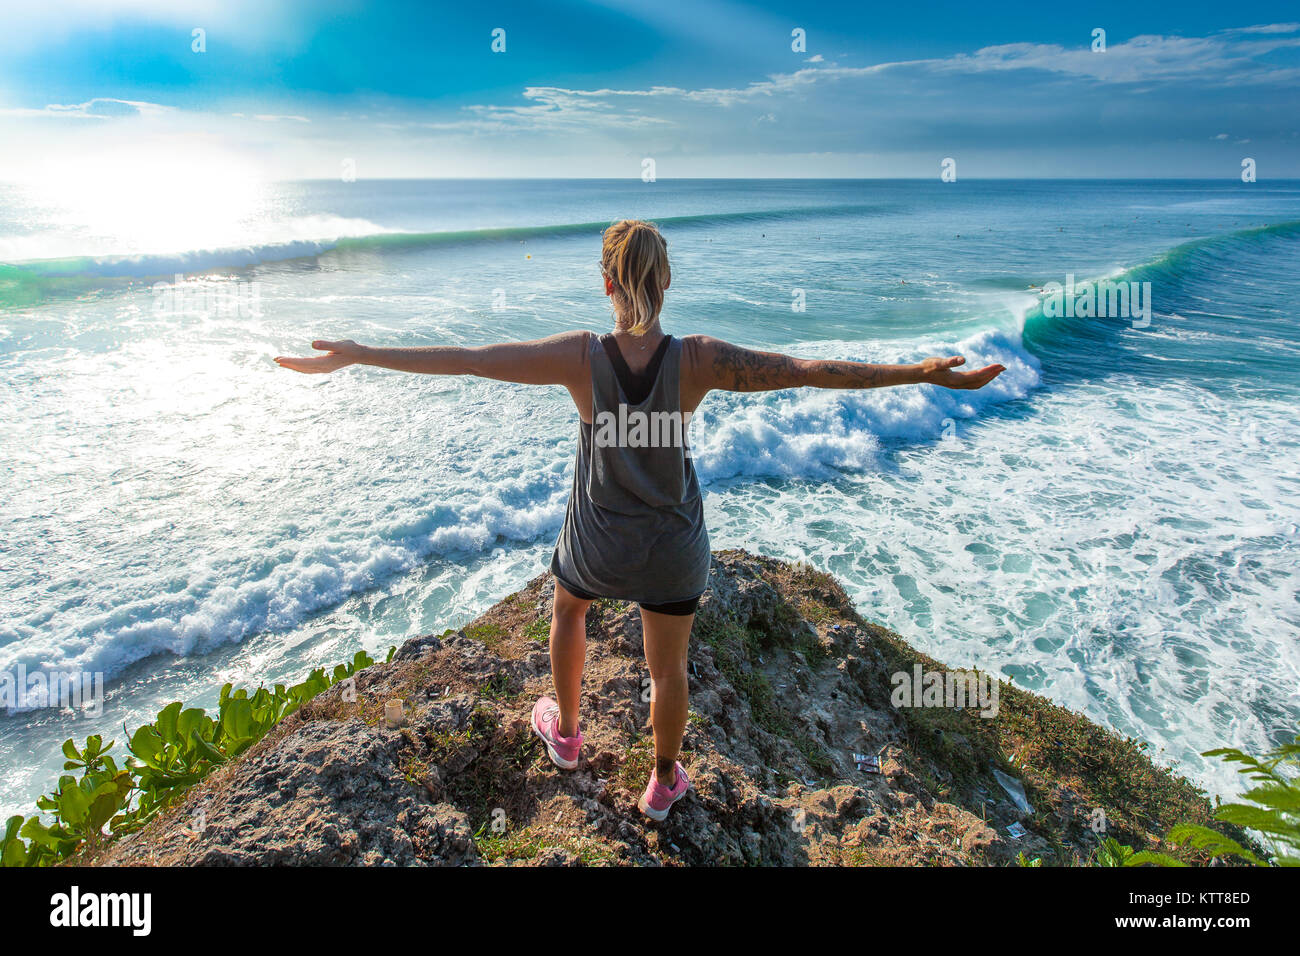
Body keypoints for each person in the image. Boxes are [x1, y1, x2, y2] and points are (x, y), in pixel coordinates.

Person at [276, 219, 1005, 821]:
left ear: (605, 283)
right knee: (670, 666)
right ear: (666, 282)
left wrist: (362, 355)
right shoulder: (699, 360)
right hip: (671, 550)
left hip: (597, 544)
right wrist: (918, 372)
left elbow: (470, 359)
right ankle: (662, 780)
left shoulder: (577, 356)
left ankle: (565, 734)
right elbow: (805, 367)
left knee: (568, 607)